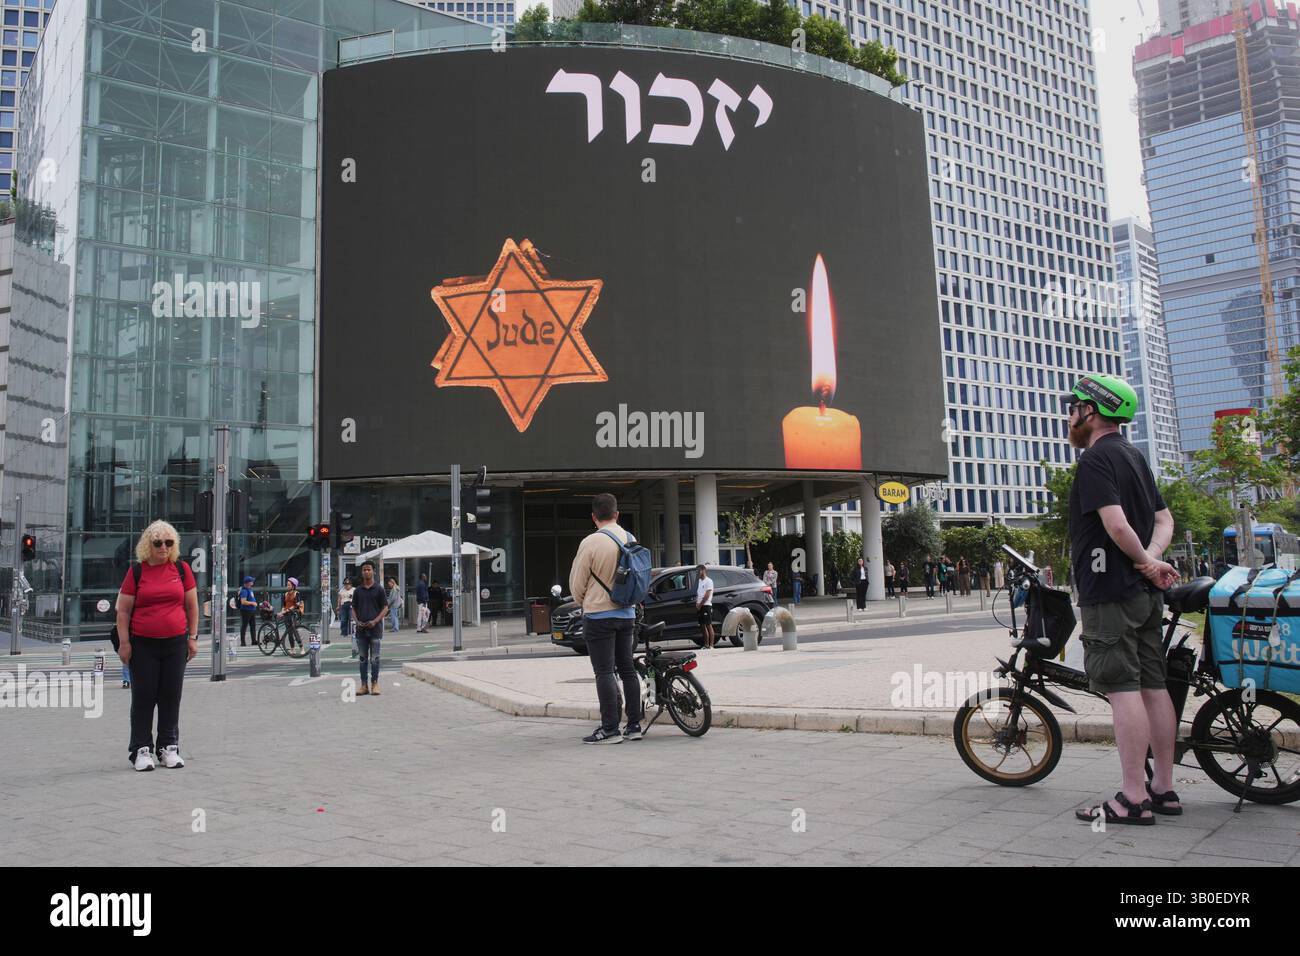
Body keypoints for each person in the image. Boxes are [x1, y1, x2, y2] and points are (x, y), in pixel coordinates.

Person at [1062, 375, 1179, 827]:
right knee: (1154, 686)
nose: (1069, 414)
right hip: (1145, 596)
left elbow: (1115, 525)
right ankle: (1163, 787)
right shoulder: (1134, 456)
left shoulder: (1096, 459)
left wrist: (1143, 561)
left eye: (1074, 406)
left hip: (1109, 590)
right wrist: (1152, 561)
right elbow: (1162, 519)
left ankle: (1132, 797)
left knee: (1122, 689)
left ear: (1090, 412)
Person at [116, 521, 199, 771]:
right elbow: (123, 611)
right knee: (143, 697)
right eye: (158, 542)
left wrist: (193, 637)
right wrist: (124, 643)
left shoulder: (182, 569)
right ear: (147, 545)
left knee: (171, 696)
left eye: (169, 542)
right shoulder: (137, 572)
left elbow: (192, 606)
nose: (163, 547)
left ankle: (168, 748)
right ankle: (141, 750)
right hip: (143, 645)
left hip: (175, 644)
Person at [569, 493, 641, 744]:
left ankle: (610, 728)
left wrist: (583, 601)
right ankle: (634, 725)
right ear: (617, 514)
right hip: (628, 613)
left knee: (604, 672)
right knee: (628, 669)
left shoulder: (590, 542)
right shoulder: (630, 539)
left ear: (593, 517)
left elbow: (577, 585)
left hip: (599, 615)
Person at [350, 562, 389, 696]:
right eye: (364, 570)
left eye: (369, 570)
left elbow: (385, 607)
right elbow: (353, 608)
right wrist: (357, 621)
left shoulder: (379, 589)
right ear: (362, 572)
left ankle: (375, 683)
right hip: (361, 630)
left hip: (375, 629)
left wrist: (376, 621)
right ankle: (363, 685)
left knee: (375, 658)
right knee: (362, 658)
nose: (366, 572)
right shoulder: (358, 591)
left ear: (373, 571)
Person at [695, 564, 716, 649]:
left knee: (708, 625)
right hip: (699, 605)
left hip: (706, 605)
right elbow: (698, 593)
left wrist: (700, 604)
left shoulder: (709, 581)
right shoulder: (699, 581)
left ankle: (711, 645)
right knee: (702, 625)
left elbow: (707, 595)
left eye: (698, 571)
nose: (698, 573)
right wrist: (697, 603)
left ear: (703, 570)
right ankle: (706, 644)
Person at [337, 577, 356, 657]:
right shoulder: (342, 590)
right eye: (345, 584)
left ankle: (352, 632)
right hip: (344, 605)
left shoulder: (354, 590)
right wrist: (338, 606)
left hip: (351, 605)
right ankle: (344, 632)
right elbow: (339, 598)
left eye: (348, 584)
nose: (346, 585)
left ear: (351, 584)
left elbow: (356, 598)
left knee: (351, 619)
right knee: (343, 619)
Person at [238, 575, 258, 647]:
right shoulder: (244, 590)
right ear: (247, 583)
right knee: (244, 625)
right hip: (246, 610)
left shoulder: (250, 589)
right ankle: (243, 642)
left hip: (252, 610)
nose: (252, 582)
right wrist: (252, 603)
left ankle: (254, 640)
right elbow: (243, 601)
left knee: (253, 625)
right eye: (251, 581)